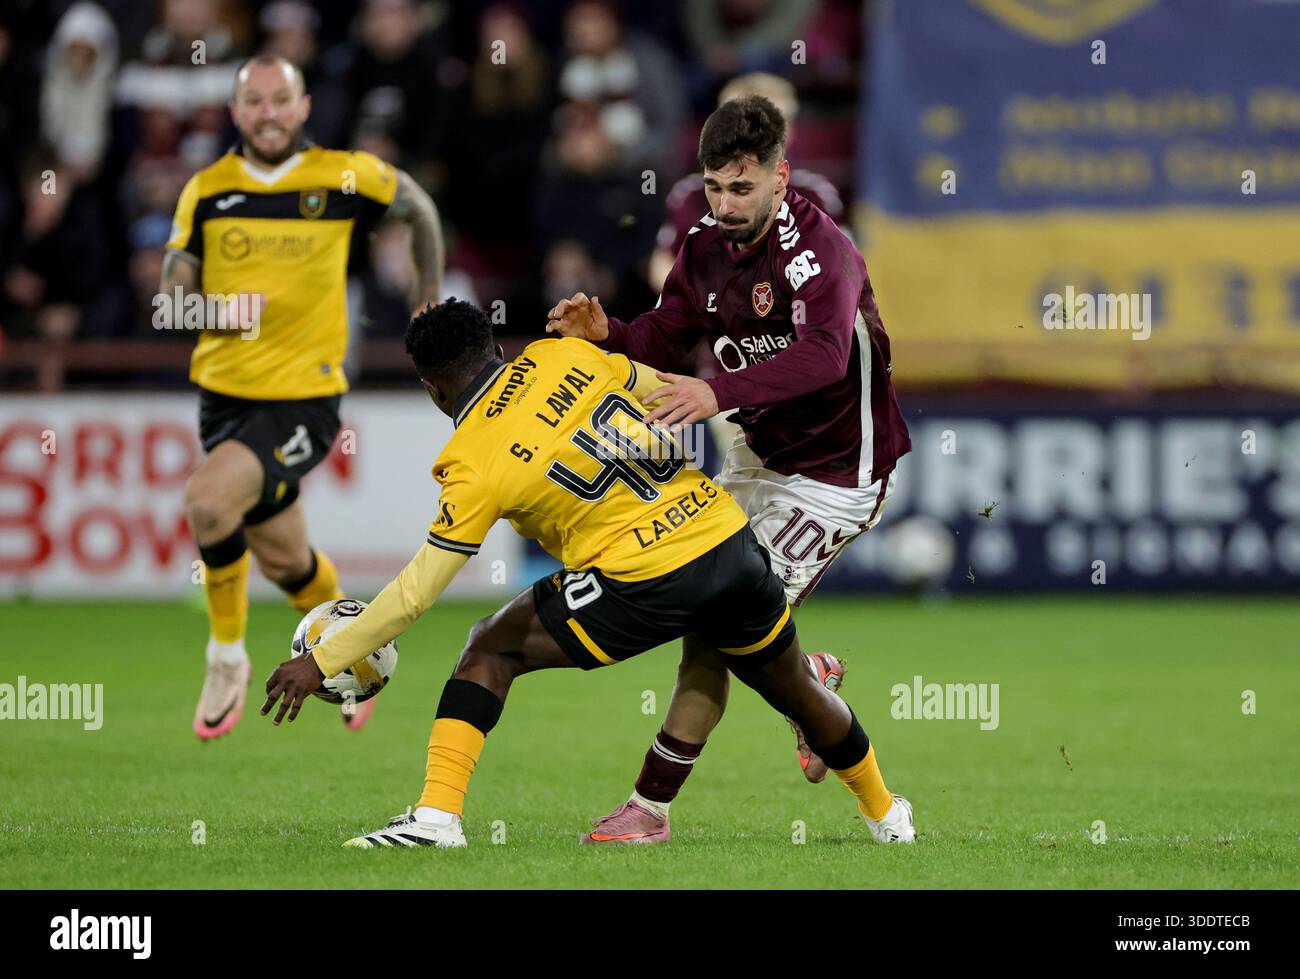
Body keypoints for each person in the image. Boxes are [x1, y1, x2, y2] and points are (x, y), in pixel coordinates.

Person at [259, 299, 914, 849]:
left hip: (644, 577)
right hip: (726, 538)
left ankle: (435, 817)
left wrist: (325, 656)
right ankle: (888, 815)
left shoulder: (469, 458)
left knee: (490, 645)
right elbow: (667, 391)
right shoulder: (560, 355)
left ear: (432, 387)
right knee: (796, 690)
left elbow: (418, 589)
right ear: (493, 344)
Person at [545, 94, 911, 843]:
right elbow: (666, 332)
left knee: (714, 622)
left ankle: (651, 808)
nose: (725, 204)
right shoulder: (704, 248)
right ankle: (810, 681)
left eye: (741, 188)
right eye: (713, 187)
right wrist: (608, 334)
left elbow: (824, 356)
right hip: (756, 457)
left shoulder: (822, 252)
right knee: (725, 618)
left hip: (837, 474)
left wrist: (715, 390)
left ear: (783, 176)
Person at [161, 54, 444, 740]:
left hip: (304, 399)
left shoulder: (344, 174)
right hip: (223, 399)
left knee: (207, 499)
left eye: (278, 100)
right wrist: (213, 312)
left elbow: (418, 208)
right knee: (286, 560)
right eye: (253, 102)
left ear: (303, 107)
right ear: (235, 112)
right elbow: (171, 300)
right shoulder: (206, 188)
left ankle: (225, 654)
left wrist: (426, 293)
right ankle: (353, 655)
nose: (266, 113)